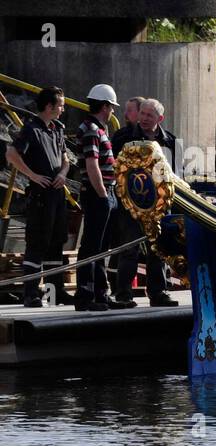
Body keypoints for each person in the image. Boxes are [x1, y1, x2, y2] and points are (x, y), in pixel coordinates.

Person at [4, 86, 72, 307]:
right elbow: (11, 153)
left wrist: (62, 174)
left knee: (55, 243)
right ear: (50, 106)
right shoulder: (31, 130)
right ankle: (31, 293)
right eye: (60, 105)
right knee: (37, 243)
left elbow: (65, 158)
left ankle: (54, 293)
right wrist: (32, 175)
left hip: (56, 193)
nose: (62, 109)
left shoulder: (57, 129)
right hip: (41, 196)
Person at [109, 98, 178, 306]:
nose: (145, 118)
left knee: (158, 248)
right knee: (129, 249)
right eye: (143, 114)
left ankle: (158, 293)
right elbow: (114, 168)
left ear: (160, 118)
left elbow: (176, 174)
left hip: (159, 204)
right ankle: (123, 294)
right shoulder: (122, 137)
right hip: (130, 203)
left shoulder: (170, 142)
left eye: (150, 115)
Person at [73, 83, 130, 312]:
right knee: (92, 245)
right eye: (112, 107)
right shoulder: (91, 129)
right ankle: (85, 295)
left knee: (101, 246)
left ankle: (100, 294)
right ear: (104, 106)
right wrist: (102, 194)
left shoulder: (98, 129)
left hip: (106, 191)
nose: (113, 112)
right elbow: (92, 164)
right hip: (99, 193)